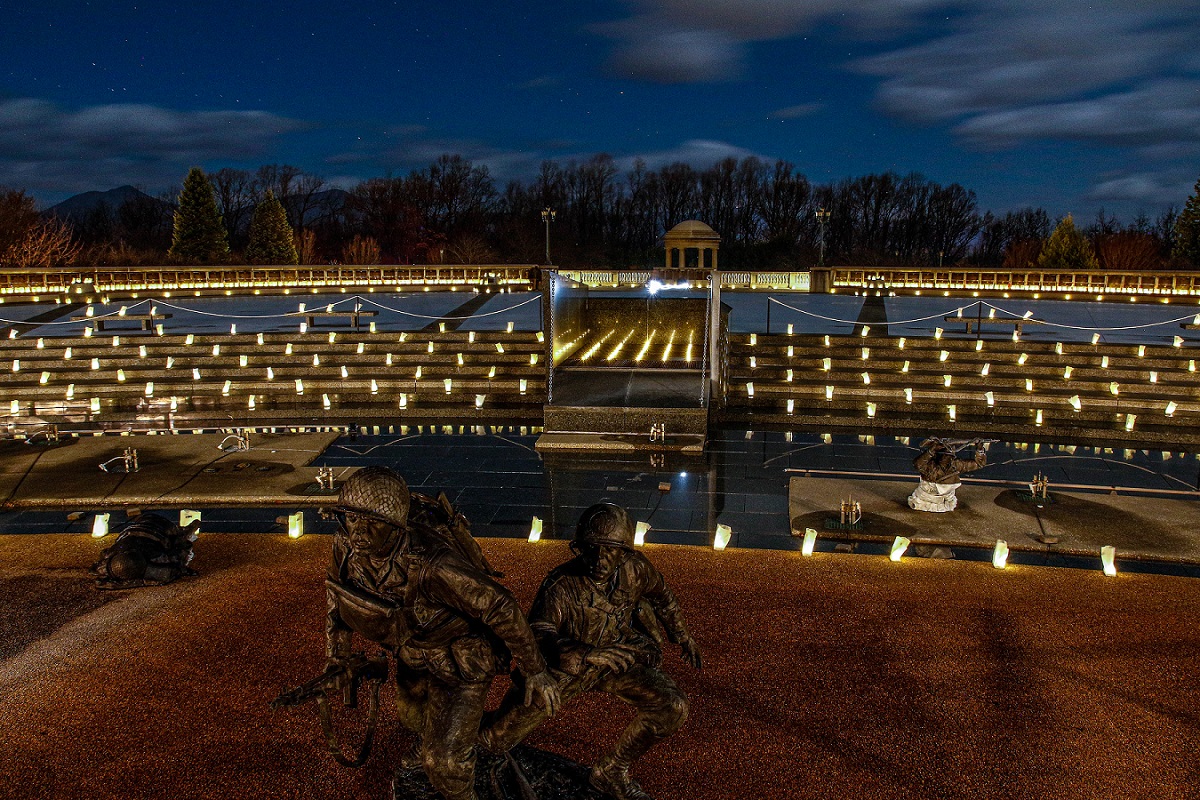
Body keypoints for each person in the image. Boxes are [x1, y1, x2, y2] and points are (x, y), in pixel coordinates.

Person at [325, 466, 559, 800]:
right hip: (412, 654)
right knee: (412, 719)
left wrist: (535, 670)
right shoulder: (346, 546)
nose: (359, 531)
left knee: (445, 763)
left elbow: (500, 605)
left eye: (372, 522)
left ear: (395, 527)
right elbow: (336, 596)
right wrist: (337, 656)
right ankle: (452, 740)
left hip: (458, 662)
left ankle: (460, 770)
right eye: (351, 518)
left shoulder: (434, 565)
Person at [480, 502, 702, 800]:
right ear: (581, 547)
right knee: (494, 740)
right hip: (563, 668)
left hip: (616, 659)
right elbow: (538, 633)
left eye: (610, 549)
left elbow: (662, 596)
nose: (600, 558)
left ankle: (611, 771)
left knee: (672, 706)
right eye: (592, 547)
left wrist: (682, 636)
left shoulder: (636, 569)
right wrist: (585, 654)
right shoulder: (559, 584)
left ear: (623, 551)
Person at [90, 512, 199, 589]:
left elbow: (172, 570)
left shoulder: (155, 555)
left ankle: (182, 532)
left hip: (159, 529)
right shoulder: (113, 554)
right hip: (144, 528)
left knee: (179, 548)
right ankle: (182, 532)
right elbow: (172, 570)